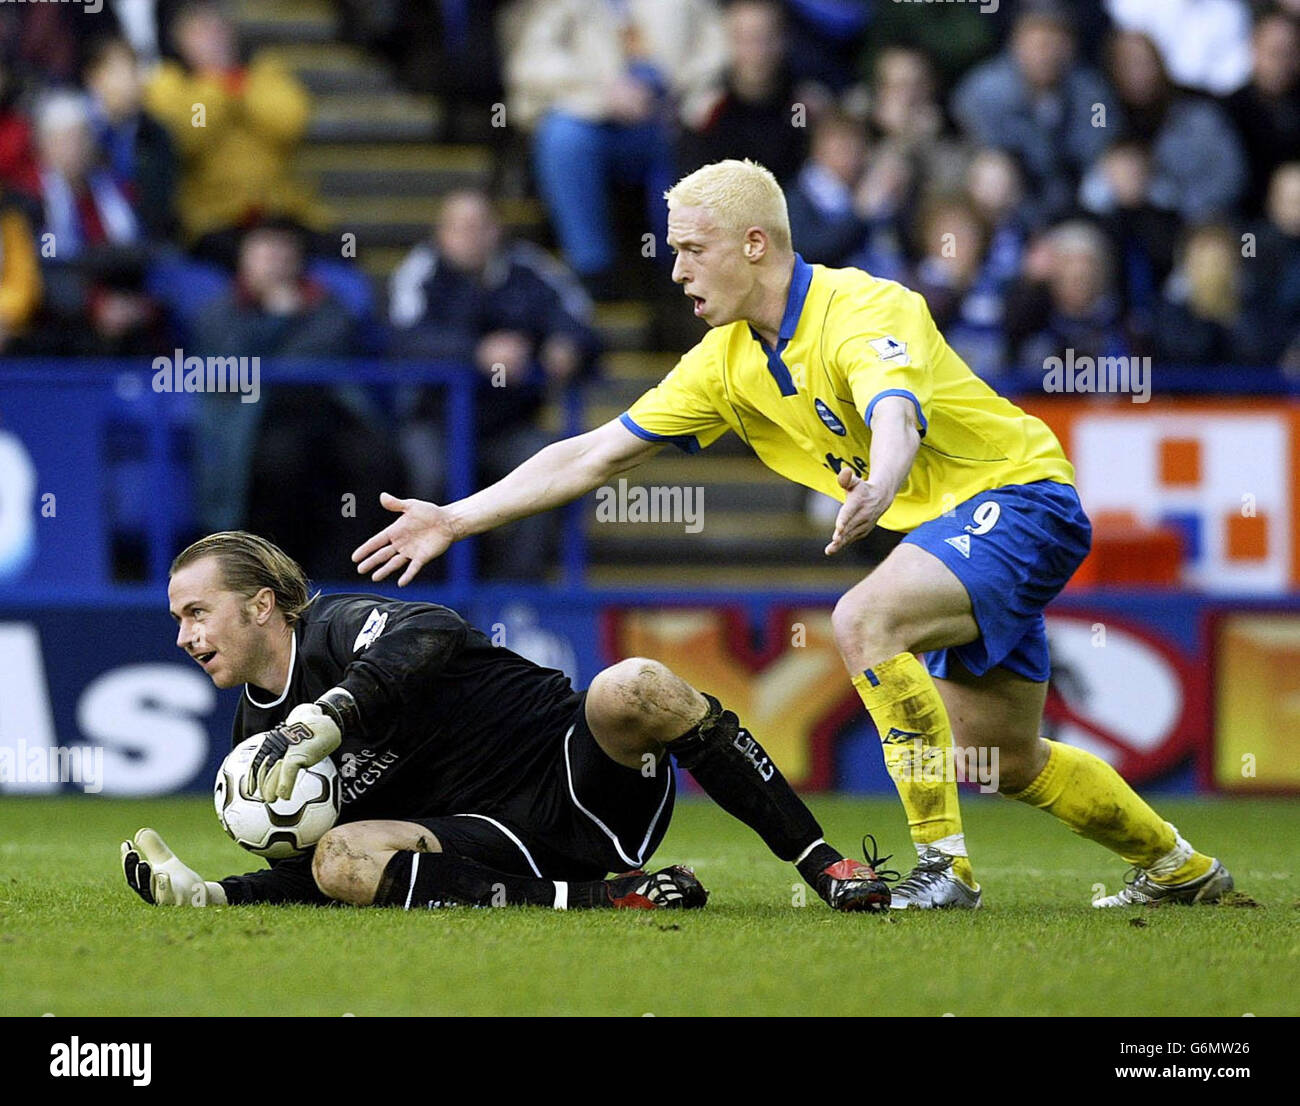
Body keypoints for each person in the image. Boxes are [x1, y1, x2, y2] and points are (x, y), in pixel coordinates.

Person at [354, 157, 1235, 910]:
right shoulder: (725, 360)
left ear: (754, 245)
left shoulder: (862, 308)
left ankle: (943, 868)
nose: (675, 272)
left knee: (863, 620)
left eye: (692, 250)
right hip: (955, 528)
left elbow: (894, 408)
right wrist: (456, 516)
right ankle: (1179, 868)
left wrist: (884, 479)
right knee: (999, 756)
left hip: (1023, 497)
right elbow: (592, 456)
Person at [122, 531, 891, 912]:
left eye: (197, 612)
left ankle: (824, 864)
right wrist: (219, 895)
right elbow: (305, 865)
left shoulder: (335, 624)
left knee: (634, 684)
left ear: (261, 606)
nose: (185, 636)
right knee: (343, 861)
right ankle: (610, 898)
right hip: (493, 845)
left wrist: (331, 713)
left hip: (574, 769)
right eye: (177, 619)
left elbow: (434, 631)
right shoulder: (255, 741)